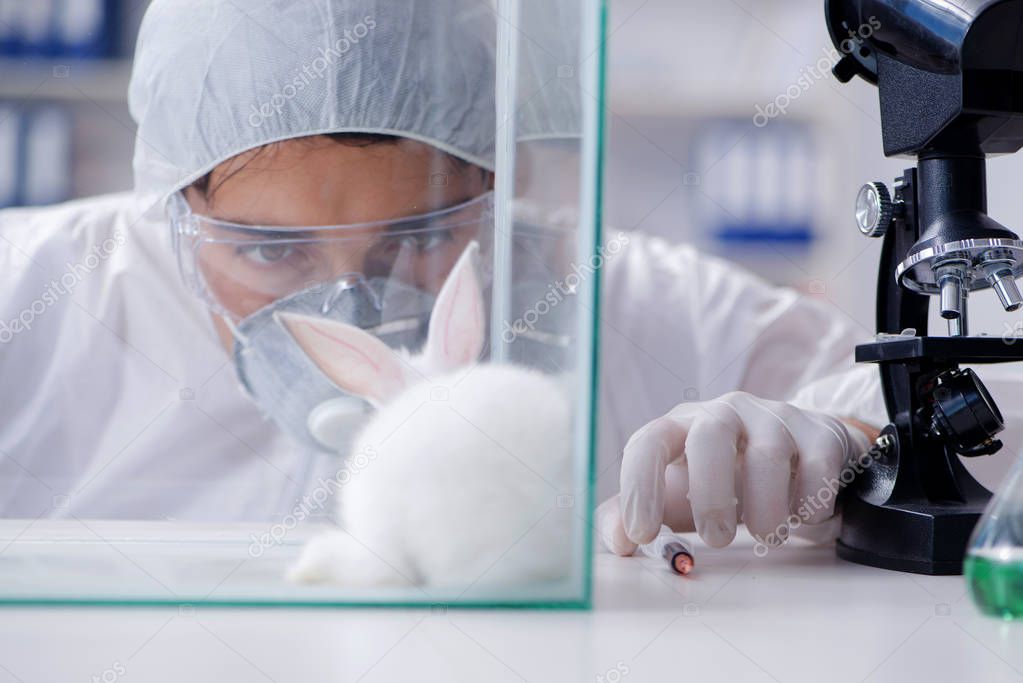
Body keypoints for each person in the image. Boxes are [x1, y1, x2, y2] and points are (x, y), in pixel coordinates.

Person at [0, 0, 1015, 558]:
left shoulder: (603, 293)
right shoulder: (40, 293)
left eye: (416, 240)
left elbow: (962, 425)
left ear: (496, 190)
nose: (351, 305)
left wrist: (854, 449)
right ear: (174, 209)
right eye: (269, 253)